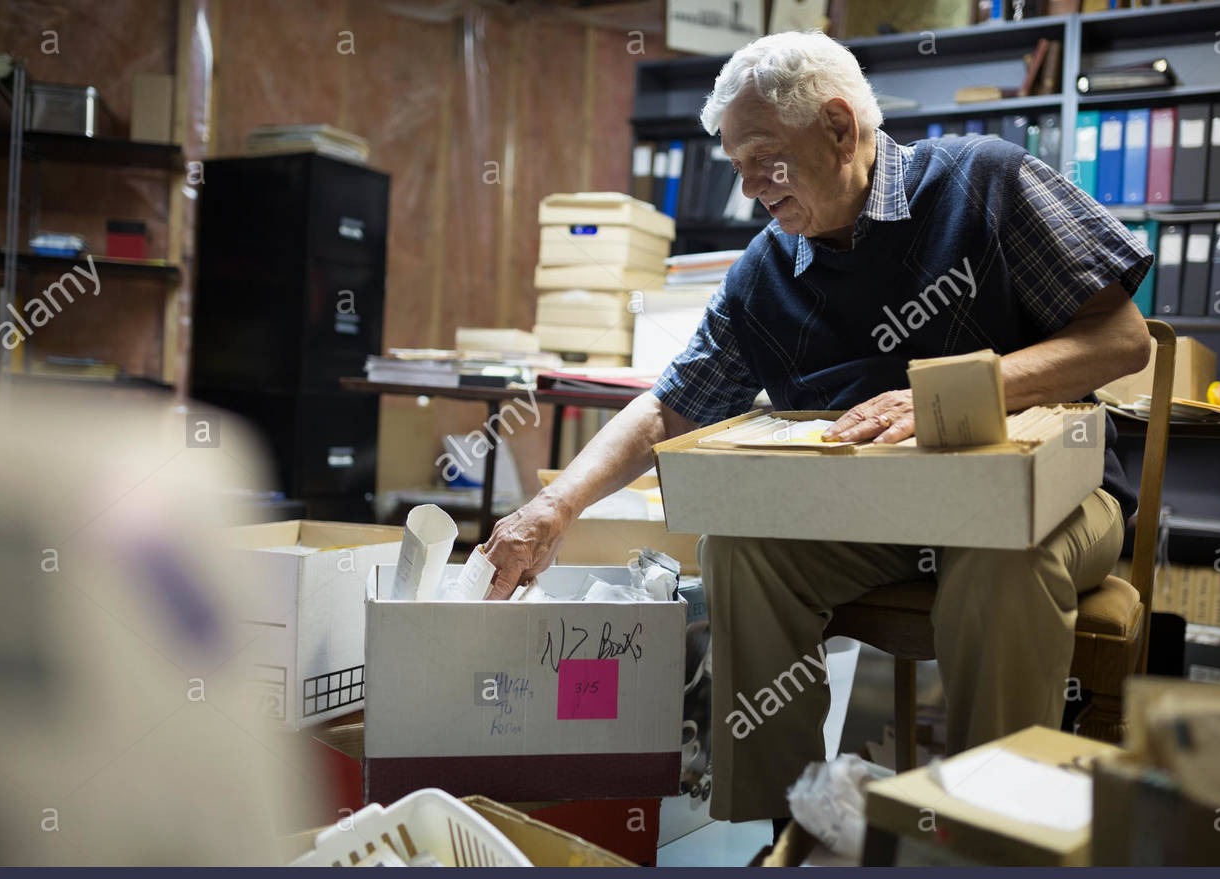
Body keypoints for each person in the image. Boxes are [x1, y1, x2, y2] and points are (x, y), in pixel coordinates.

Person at [483, 30, 1152, 823]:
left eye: (762, 158)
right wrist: (555, 507)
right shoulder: (765, 269)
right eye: (734, 167)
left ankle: (990, 841)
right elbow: (672, 403)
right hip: (884, 516)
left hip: (1054, 501)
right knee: (742, 547)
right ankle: (789, 828)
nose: (748, 191)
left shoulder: (986, 180)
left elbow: (1122, 341)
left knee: (998, 560)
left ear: (839, 127)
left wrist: (955, 394)